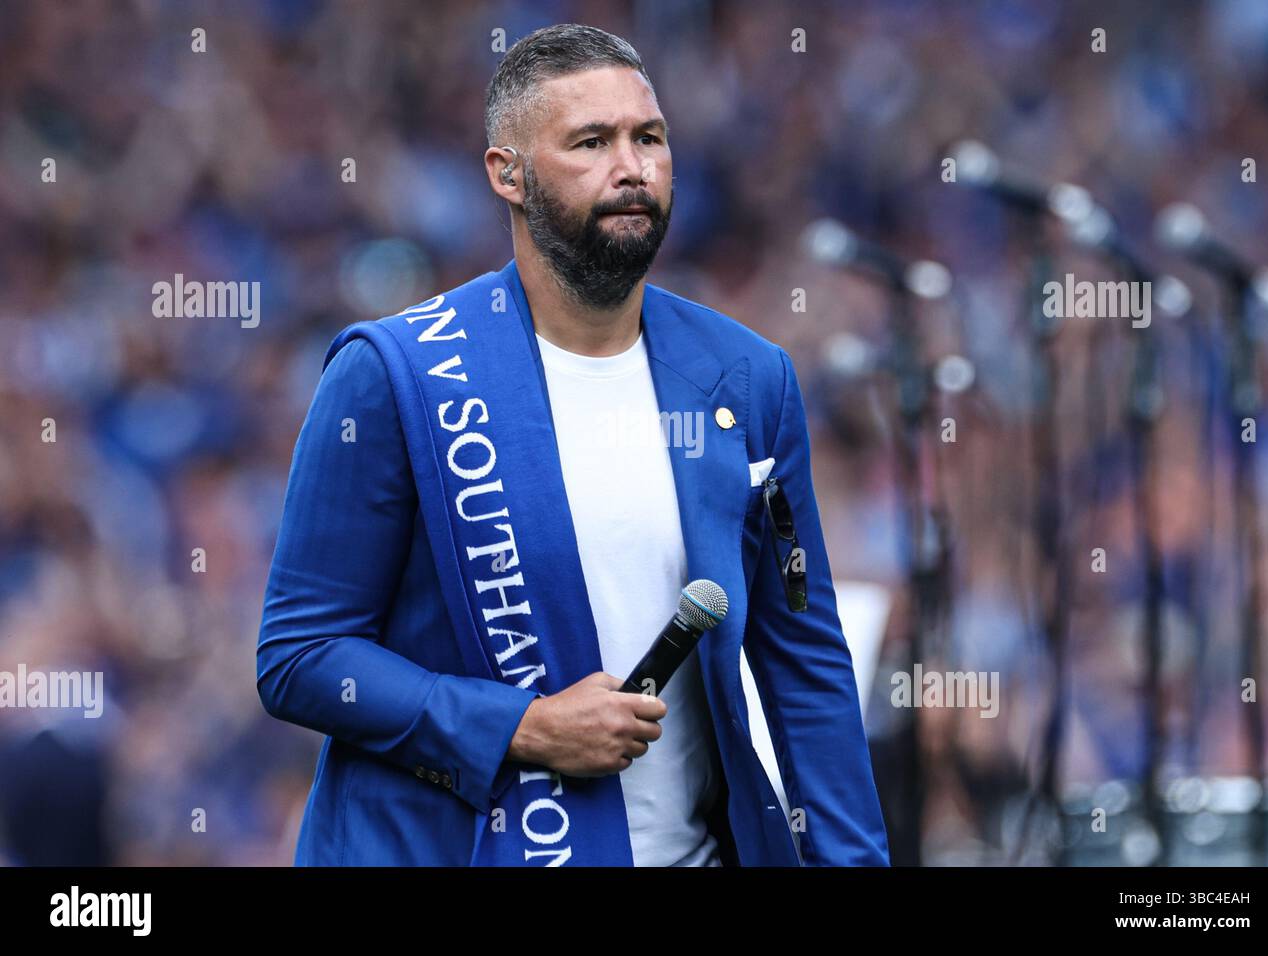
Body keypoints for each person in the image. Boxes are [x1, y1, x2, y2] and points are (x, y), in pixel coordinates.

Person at [257, 22, 889, 867]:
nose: (632, 167)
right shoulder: (395, 373)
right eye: (591, 141)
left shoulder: (746, 377)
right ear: (506, 173)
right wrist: (520, 727)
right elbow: (301, 657)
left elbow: (803, 659)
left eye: (650, 138)